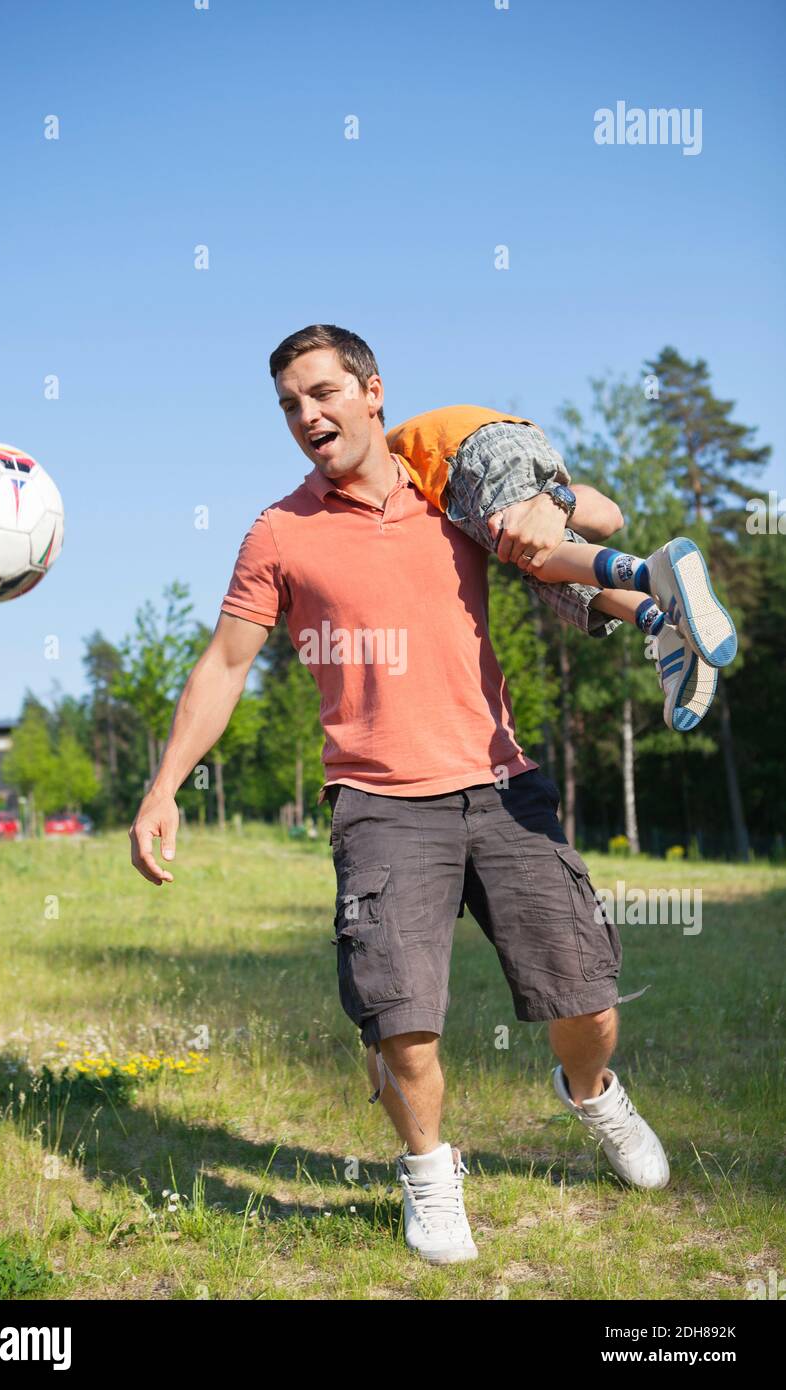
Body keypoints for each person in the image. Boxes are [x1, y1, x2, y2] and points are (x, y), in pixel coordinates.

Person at [129, 324, 670, 1268]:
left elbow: (601, 519)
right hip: (377, 804)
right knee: (398, 1017)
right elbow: (223, 664)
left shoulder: (450, 494)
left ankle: (592, 1094)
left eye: (325, 393)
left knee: (584, 997)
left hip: (502, 785)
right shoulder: (279, 531)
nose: (309, 416)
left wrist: (550, 503)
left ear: (373, 392)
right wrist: (165, 783)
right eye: (291, 405)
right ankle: (428, 1172)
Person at [386, 406, 737, 732]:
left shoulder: (380, 459)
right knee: (549, 569)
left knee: (530, 551)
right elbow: (611, 516)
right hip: (505, 440)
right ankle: (663, 627)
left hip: (465, 449)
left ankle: (650, 574)